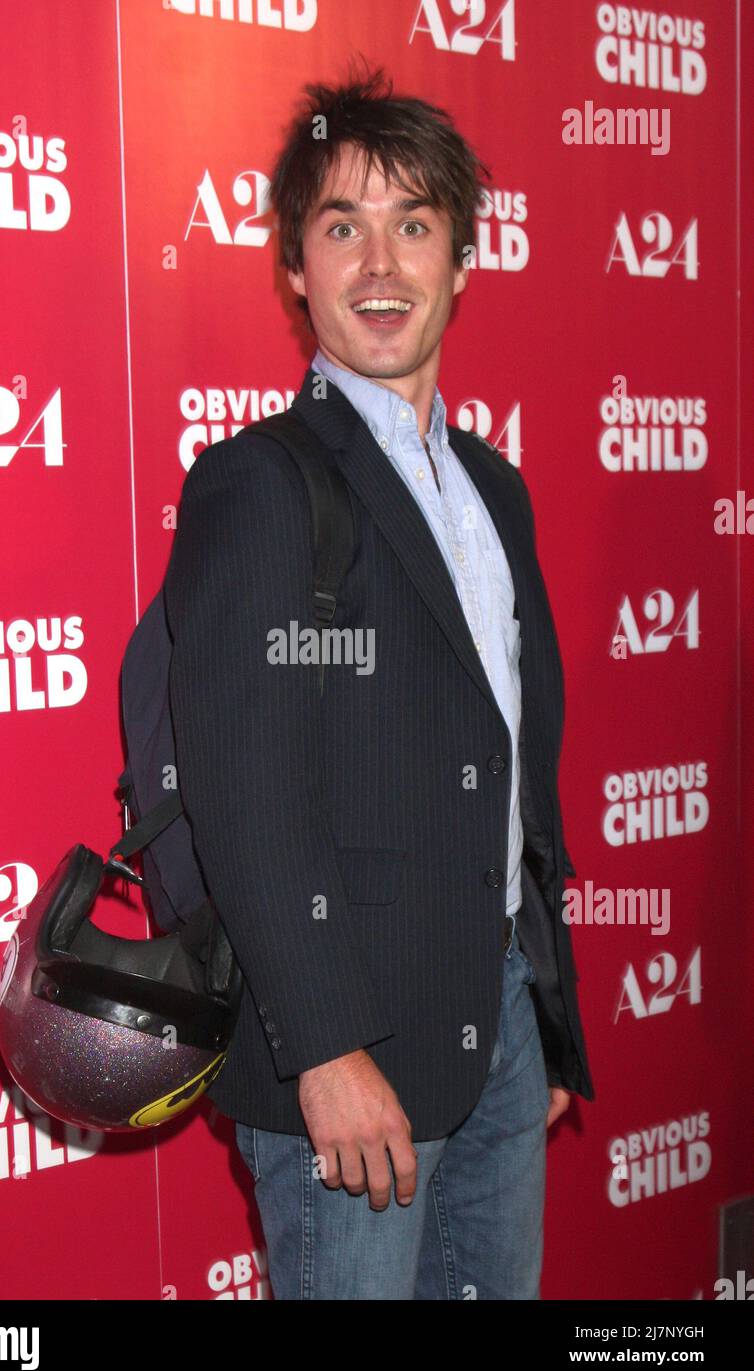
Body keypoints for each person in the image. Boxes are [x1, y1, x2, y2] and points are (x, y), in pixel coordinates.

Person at [164, 64, 594, 1301]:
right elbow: (246, 789)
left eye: (413, 224)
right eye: (340, 227)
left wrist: (544, 1014)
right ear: (294, 269)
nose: (380, 264)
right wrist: (325, 1046)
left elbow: (518, 757)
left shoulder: (492, 489)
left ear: (461, 259)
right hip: (349, 1049)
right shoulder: (258, 485)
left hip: (500, 1020)